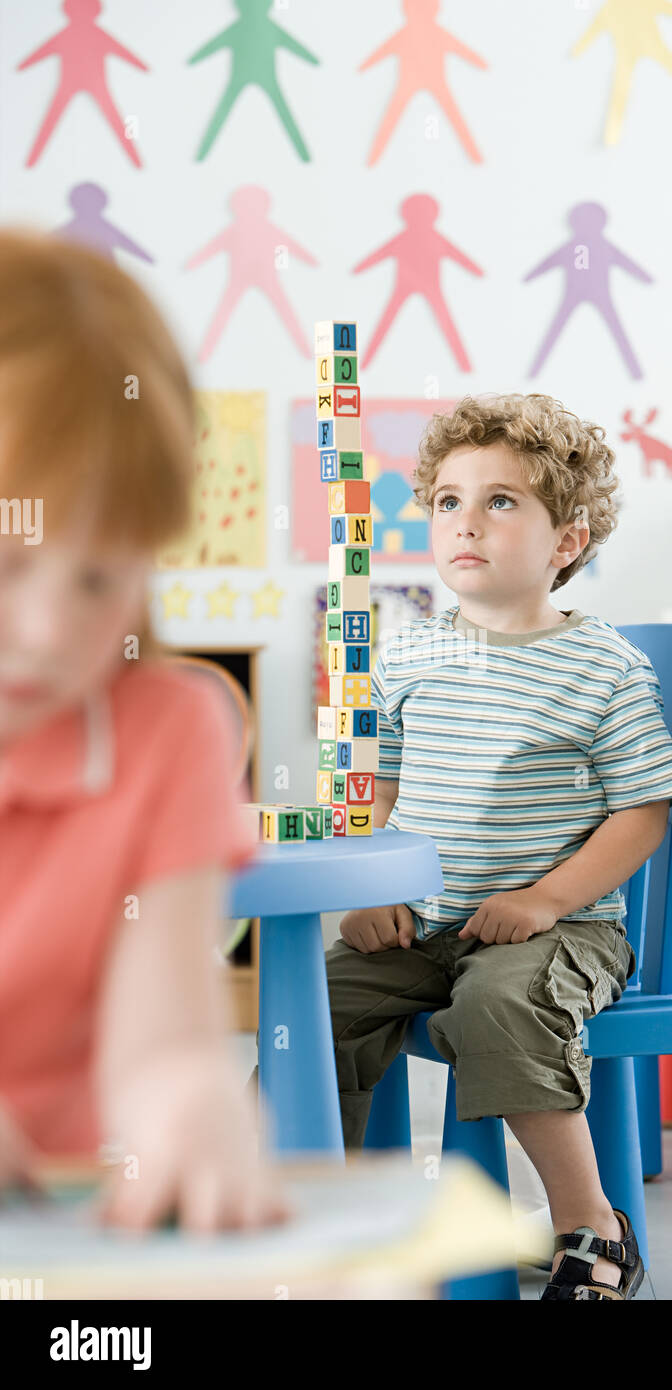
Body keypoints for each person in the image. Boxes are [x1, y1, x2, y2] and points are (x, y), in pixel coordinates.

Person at [326, 392, 672, 1299]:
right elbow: (377, 795)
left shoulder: (603, 666)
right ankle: (303, 1214)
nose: (467, 522)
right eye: (449, 501)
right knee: (316, 1002)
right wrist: (370, 890)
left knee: (498, 1007)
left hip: (561, 932)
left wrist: (544, 901)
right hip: (425, 924)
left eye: (502, 501)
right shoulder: (410, 657)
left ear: (565, 541)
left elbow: (642, 810)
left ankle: (592, 1232)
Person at [0, 228, 289, 1233]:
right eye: (7, 560)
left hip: (77, 1238)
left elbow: (160, 1040)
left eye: (98, 576)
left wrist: (191, 1102)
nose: (44, 635)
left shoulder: (172, 730)